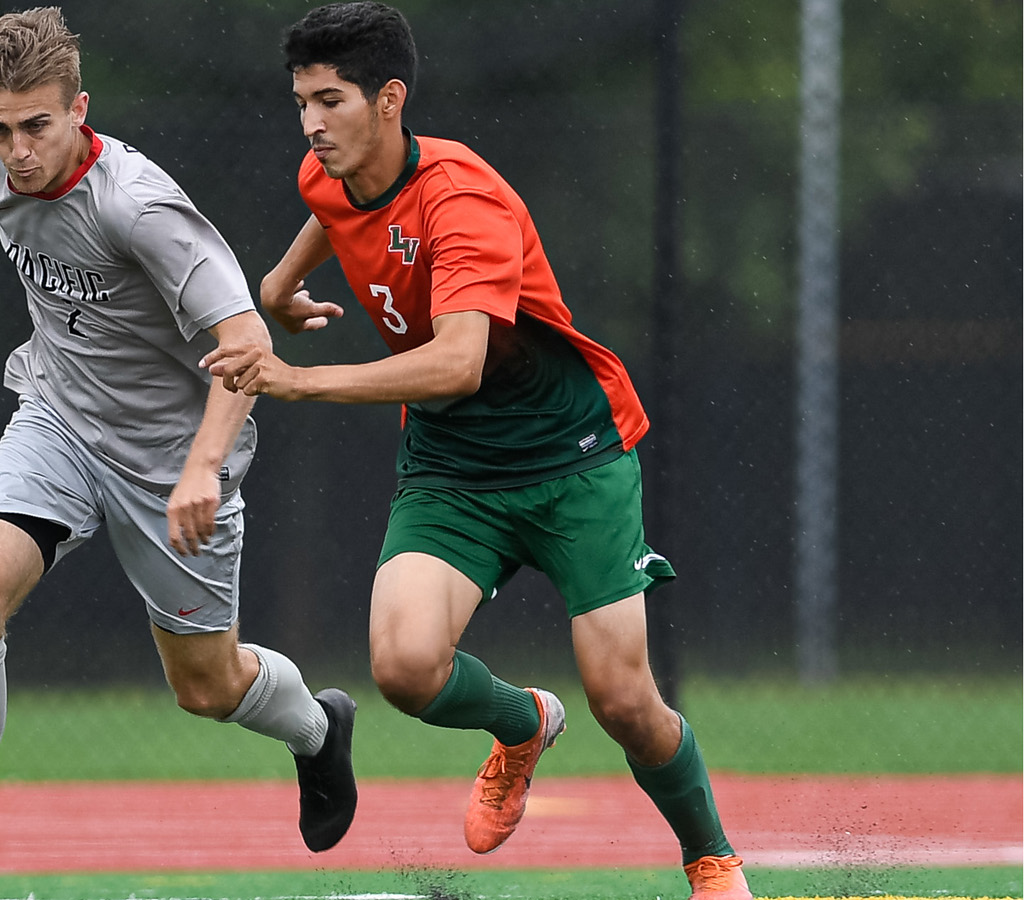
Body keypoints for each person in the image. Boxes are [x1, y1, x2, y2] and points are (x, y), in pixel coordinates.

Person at [203, 4, 750, 899]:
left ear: (390, 100)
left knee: (624, 703)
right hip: (455, 469)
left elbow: (457, 363)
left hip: (573, 456)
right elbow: (329, 208)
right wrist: (280, 284)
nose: (309, 123)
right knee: (403, 669)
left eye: (329, 101)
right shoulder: (327, 169)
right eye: (301, 100)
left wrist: (299, 378)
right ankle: (522, 725)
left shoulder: (465, 199)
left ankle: (710, 857)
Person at [0, 8, 357, 897]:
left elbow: (246, 346)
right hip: (56, 419)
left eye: (36, 126)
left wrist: (203, 465)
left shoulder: (140, 207)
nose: (15, 151)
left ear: (79, 109)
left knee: (206, 685)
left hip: (172, 454)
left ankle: (317, 732)